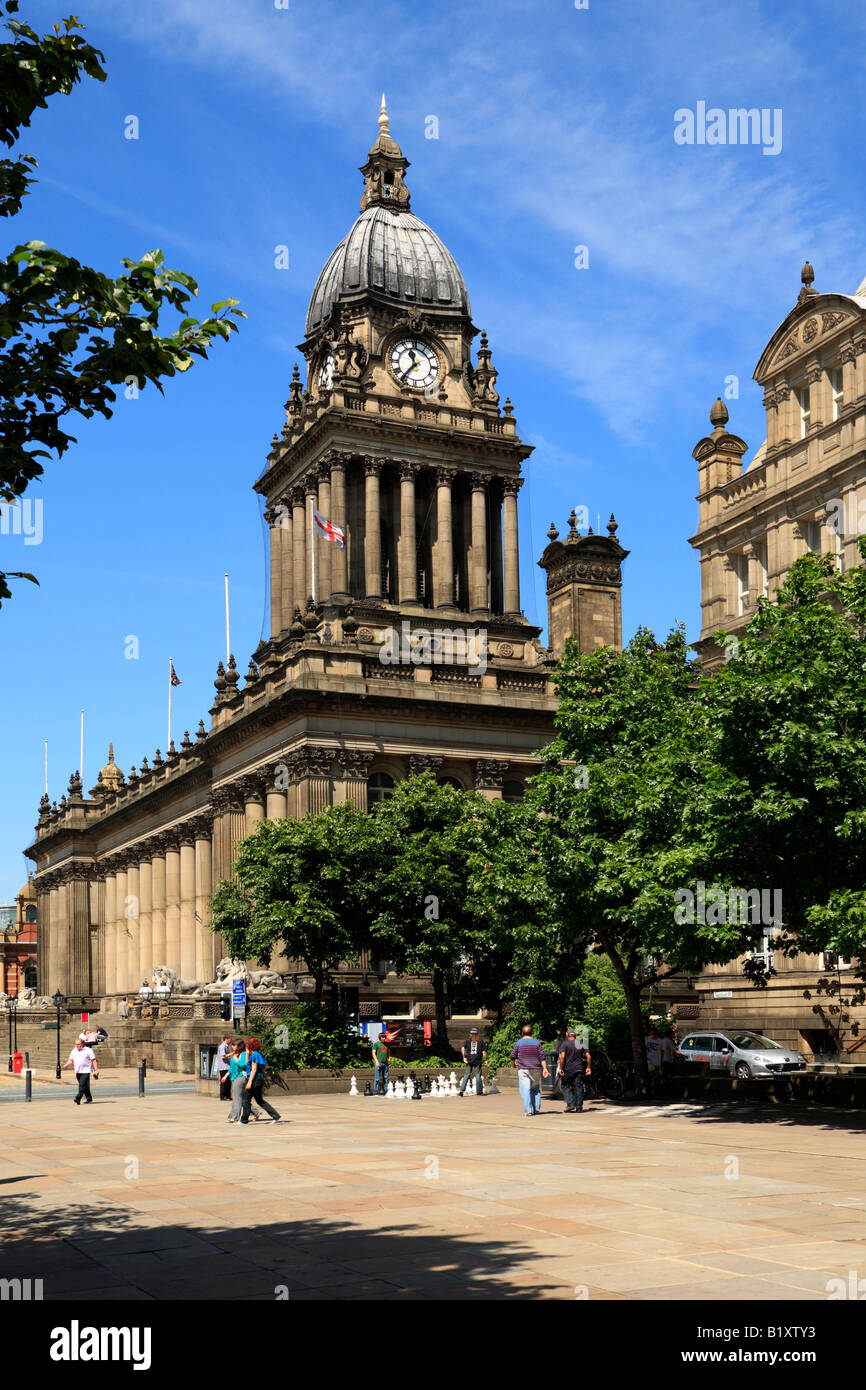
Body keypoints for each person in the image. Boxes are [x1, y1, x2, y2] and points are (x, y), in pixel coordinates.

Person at [240, 1036, 283, 1124]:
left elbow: (254, 1069)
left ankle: (244, 1120)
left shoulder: (255, 1055)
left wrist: (249, 1082)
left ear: (250, 1045)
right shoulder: (256, 1054)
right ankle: (276, 1116)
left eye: (247, 1044)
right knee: (260, 1101)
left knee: (246, 1100)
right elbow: (247, 1064)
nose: (246, 1046)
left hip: (254, 1081)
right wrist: (247, 1054)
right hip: (257, 1081)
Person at [509, 1024, 549, 1117]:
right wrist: (545, 1069)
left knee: (525, 1090)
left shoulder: (519, 1043)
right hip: (535, 1069)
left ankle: (529, 1111)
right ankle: (536, 1108)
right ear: (532, 1033)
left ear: (522, 1033)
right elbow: (542, 1057)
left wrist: (513, 1065)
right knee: (535, 1088)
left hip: (523, 1069)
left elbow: (512, 1056)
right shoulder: (537, 1043)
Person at [227, 1038, 261, 1124]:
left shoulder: (243, 1054)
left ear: (239, 1046)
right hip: (235, 1077)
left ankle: (234, 1117)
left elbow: (243, 1065)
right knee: (241, 1098)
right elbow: (232, 1067)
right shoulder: (236, 1054)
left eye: (234, 1045)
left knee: (236, 1098)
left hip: (241, 1077)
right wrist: (226, 1075)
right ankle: (255, 1112)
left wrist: (235, 1058)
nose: (232, 1046)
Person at [557, 1029, 591, 1112]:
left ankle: (571, 1103)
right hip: (579, 1068)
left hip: (568, 1069)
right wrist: (588, 1067)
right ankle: (579, 1107)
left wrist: (561, 1068)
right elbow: (588, 1056)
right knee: (578, 1086)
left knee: (565, 1085)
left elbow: (562, 1057)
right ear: (575, 1036)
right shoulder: (581, 1043)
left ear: (567, 1036)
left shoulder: (565, 1044)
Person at [62, 1036, 99, 1104]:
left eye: (78, 1044)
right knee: (85, 1086)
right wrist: (66, 1066)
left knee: (81, 1085)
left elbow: (93, 1060)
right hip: (78, 1071)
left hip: (86, 1070)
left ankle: (78, 1098)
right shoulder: (74, 1050)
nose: (77, 1045)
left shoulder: (88, 1050)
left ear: (82, 1044)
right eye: (76, 1044)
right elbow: (71, 1060)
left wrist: (96, 1070)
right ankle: (89, 1098)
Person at [458, 1028, 487, 1096]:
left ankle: (462, 1090)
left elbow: (463, 1049)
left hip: (469, 1060)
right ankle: (479, 1092)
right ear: (477, 1035)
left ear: (470, 1034)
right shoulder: (481, 1042)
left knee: (467, 1075)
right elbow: (484, 1052)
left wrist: (464, 1057)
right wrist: (485, 1060)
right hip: (477, 1061)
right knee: (478, 1076)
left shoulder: (467, 1041)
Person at [370, 1031, 391, 1096]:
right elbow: (373, 1053)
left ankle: (386, 1089)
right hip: (379, 1062)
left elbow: (389, 1051)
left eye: (384, 1037)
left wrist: (389, 1058)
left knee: (386, 1077)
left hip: (385, 1063)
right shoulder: (376, 1044)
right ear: (380, 1038)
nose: (384, 1038)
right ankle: (376, 1090)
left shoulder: (387, 1044)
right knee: (377, 1078)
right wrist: (376, 1061)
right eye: (382, 1037)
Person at [645, 1025, 663, 1096]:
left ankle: (652, 1091)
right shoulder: (646, 1039)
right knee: (650, 1077)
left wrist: (661, 1061)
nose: (654, 1035)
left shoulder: (660, 1041)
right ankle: (650, 1090)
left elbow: (662, 1052)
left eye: (655, 1034)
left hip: (656, 1062)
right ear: (650, 1033)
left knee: (655, 1077)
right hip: (648, 1061)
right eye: (653, 1034)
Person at [216, 1033, 232, 1102]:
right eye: (230, 1039)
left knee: (228, 1082)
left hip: (227, 1066)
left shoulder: (226, 1046)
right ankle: (223, 1096)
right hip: (223, 1067)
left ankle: (228, 1095)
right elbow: (223, 1056)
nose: (231, 1040)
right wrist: (231, 1054)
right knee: (224, 1082)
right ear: (226, 1039)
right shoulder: (223, 1046)